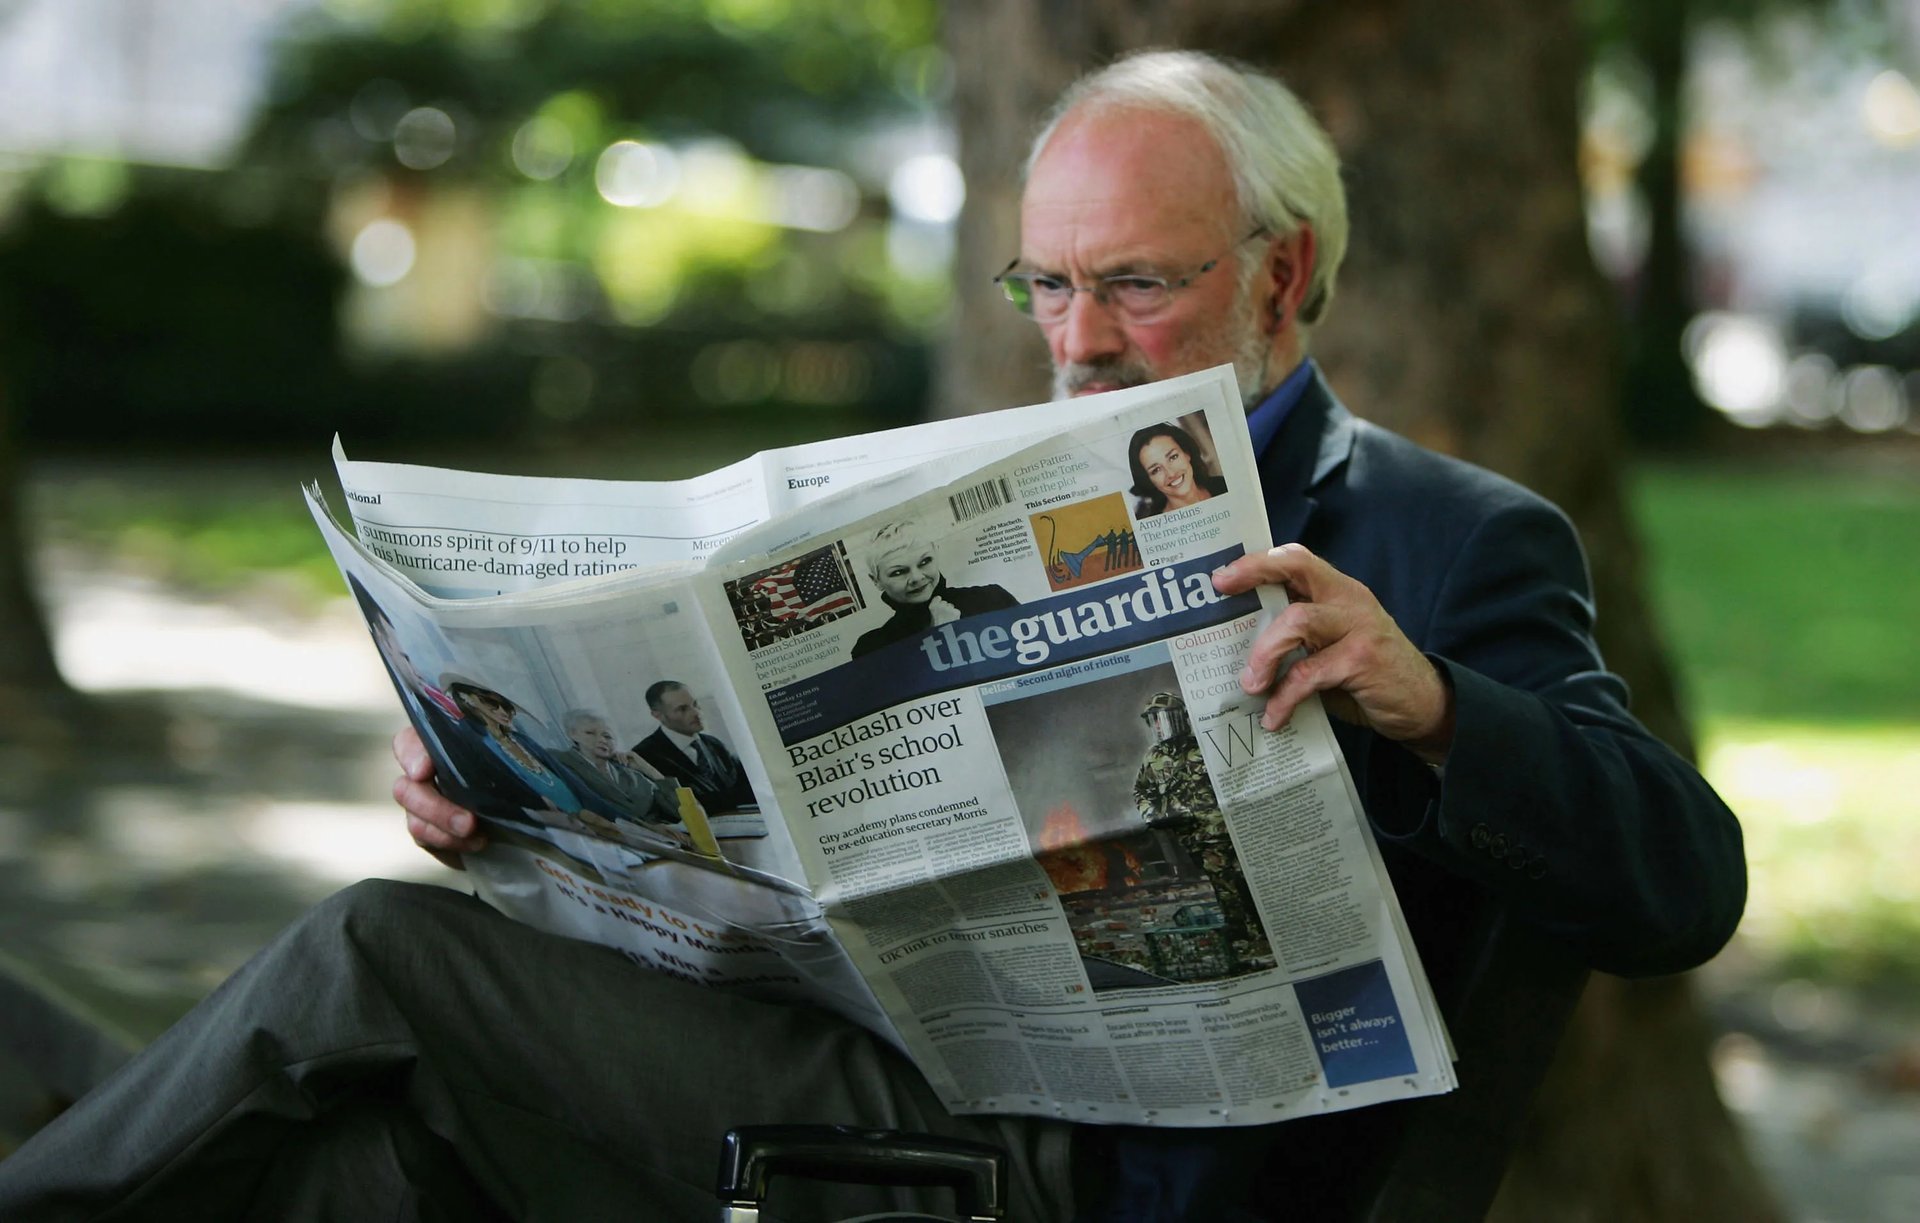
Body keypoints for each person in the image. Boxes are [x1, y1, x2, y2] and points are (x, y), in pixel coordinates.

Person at [0, 50, 1745, 1222]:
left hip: (1092, 1165)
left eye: (1137, 282)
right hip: (866, 1046)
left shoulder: (1446, 540)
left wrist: (1434, 705)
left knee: (382, 957)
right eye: (1046, 284)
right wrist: (506, 786)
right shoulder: (956, 502)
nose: (1081, 339)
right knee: (360, 1157)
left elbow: (1682, 884)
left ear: (1284, 279)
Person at [1131, 692, 1271, 974]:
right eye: (1154, 721)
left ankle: (1259, 935)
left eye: (1165, 719)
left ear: (1179, 719)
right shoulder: (1154, 758)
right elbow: (1142, 791)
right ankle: (1244, 938)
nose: (1160, 726)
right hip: (1194, 837)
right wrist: (1153, 814)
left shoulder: (1203, 746)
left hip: (1228, 829)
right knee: (1224, 887)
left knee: (1247, 882)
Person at [849, 520, 1019, 658]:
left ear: (936, 554)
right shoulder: (871, 647)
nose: (917, 577)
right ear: (876, 581)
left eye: (925, 562)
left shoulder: (992, 598)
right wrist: (938, 636)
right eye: (899, 572)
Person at [630, 680, 757, 815]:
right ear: (657, 715)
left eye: (695, 704)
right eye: (682, 709)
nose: (696, 713)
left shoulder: (714, 743)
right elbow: (683, 805)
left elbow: (750, 784)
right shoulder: (644, 755)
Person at [549, 708, 685, 829]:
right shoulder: (559, 760)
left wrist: (649, 770)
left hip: (665, 839)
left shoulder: (630, 774)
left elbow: (682, 813)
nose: (601, 740)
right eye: (590, 733)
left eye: (607, 736)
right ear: (573, 734)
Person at [1127, 422, 1227, 516]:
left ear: (1187, 453)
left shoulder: (1223, 485)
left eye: (1173, 457)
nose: (1171, 474)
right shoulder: (1157, 525)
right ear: (1149, 480)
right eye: (1156, 470)